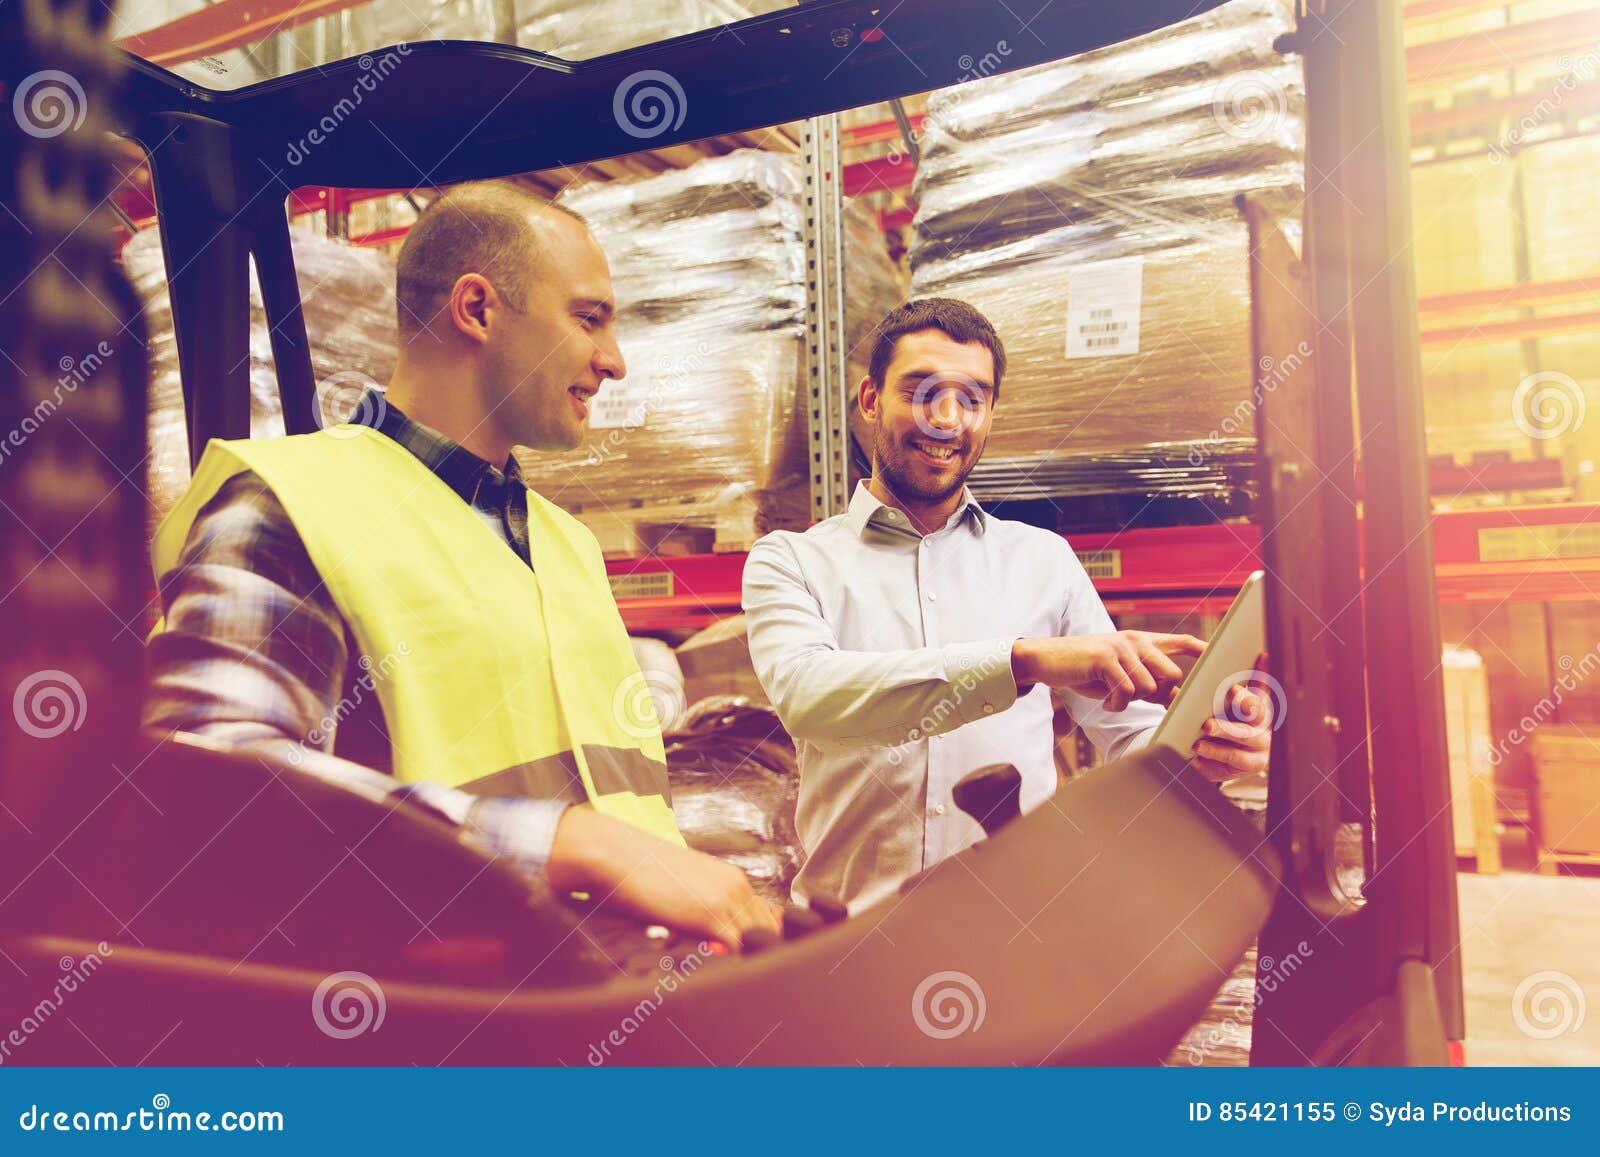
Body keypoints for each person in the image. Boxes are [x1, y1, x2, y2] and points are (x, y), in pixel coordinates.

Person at [145, 181, 780, 947]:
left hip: (603, 1010)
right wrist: (566, 843)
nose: (613, 361)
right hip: (419, 1032)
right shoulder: (286, 503)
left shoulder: (562, 542)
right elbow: (210, 788)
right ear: (477, 310)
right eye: (589, 319)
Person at [742, 297, 1273, 913]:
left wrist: (1205, 751)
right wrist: (1024, 662)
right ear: (869, 401)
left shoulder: (1042, 559)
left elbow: (1130, 739)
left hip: (1018, 931)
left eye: (972, 398)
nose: (946, 419)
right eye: (920, 390)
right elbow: (811, 698)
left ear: (989, 413)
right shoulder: (792, 559)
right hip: (847, 935)